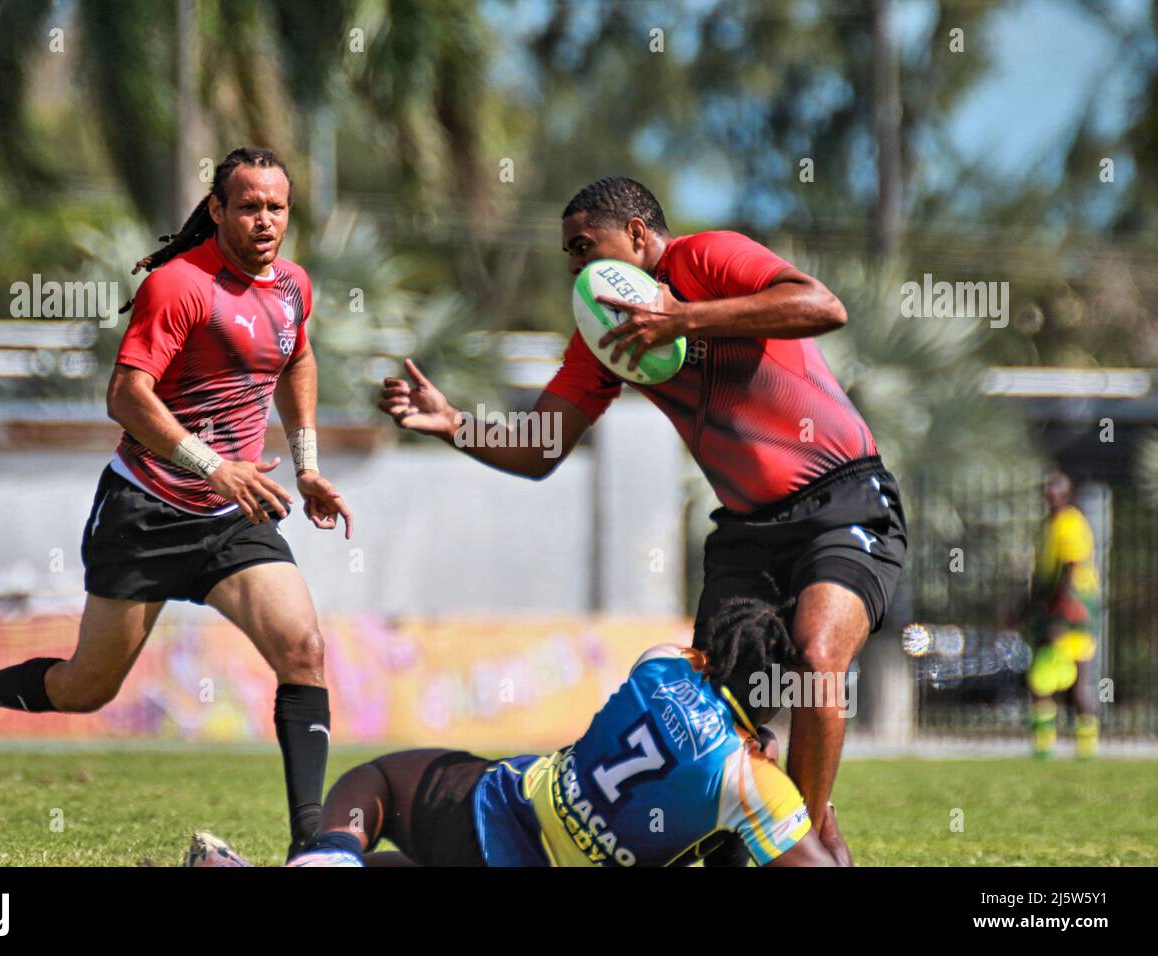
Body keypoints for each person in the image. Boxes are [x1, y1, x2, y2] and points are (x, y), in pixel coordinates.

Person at [378, 176, 906, 842]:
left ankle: (804, 843)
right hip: (747, 535)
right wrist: (453, 422)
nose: (574, 265)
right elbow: (541, 448)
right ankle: (802, 832)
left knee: (816, 655)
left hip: (845, 499)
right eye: (567, 255)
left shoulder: (706, 258)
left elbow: (821, 306)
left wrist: (682, 317)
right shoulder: (606, 340)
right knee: (715, 718)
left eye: (583, 245)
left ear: (634, 235)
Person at [0, 146, 353, 860]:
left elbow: (297, 354)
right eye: (249, 205)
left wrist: (305, 467)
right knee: (87, 689)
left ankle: (311, 849)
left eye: (277, 206)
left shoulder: (293, 286)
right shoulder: (179, 286)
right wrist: (213, 466)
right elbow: (124, 396)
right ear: (217, 209)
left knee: (303, 649)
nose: (265, 220)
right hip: (145, 512)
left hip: (228, 519)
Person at [185, 591, 851, 868]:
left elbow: (694, 665)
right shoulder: (755, 783)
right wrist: (817, 815)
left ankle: (328, 855)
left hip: (495, 808)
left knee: (381, 780)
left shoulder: (662, 666)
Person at [1018, 473, 1100, 759]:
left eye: (1057, 491)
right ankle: (1043, 744)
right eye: (1047, 491)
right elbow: (1043, 575)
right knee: (1041, 679)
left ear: (1069, 494)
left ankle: (1086, 744)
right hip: (1052, 608)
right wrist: (1025, 608)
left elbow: (1070, 568)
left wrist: (1059, 615)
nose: (1051, 496)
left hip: (1071, 611)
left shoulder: (1070, 524)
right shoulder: (1049, 526)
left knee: (1078, 681)